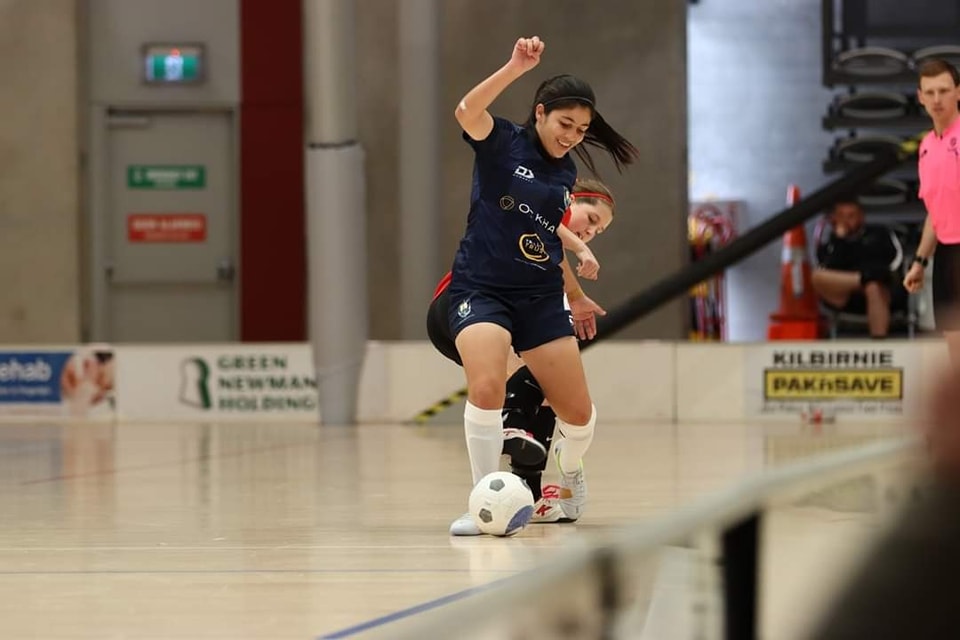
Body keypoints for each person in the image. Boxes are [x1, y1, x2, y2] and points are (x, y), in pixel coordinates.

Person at [442, 35, 638, 536]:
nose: (572, 135)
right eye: (564, 123)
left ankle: (570, 476)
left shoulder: (566, 171)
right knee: (486, 386)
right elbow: (466, 109)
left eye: (582, 129)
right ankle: (483, 500)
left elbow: (543, 226)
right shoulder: (502, 141)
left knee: (578, 413)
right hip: (480, 288)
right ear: (541, 113)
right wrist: (514, 66)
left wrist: (577, 253)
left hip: (538, 298)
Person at [427, 179, 617, 524]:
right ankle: (511, 426)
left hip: (493, 319)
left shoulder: (544, 284)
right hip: (462, 304)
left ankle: (529, 491)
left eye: (598, 232)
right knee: (530, 382)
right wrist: (576, 287)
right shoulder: (544, 207)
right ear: (571, 200)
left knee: (547, 388)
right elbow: (549, 229)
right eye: (591, 220)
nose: (591, 232)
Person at [903, 58, 960, 360]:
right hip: (947, 255)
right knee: (953, 349)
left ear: (959, 92)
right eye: (931, 92)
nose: (937, 99)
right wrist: (920, 261)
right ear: (920, 97)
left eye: (944, 90)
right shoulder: (926, 146)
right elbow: (936, 212)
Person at [812, 200, 903, 338]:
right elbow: (828, 271)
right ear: (834, 218)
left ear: (861, 216)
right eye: (841, 215)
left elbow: (895, 264)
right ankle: (863, 278)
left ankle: (879, 343)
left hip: (880, 290)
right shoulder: (831, 244)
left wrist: (873, 277)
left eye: (851, 215)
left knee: (873, 286)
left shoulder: (879, 233)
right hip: (844, 294)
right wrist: (839, 240)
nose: (845, 220)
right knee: (816, 276)